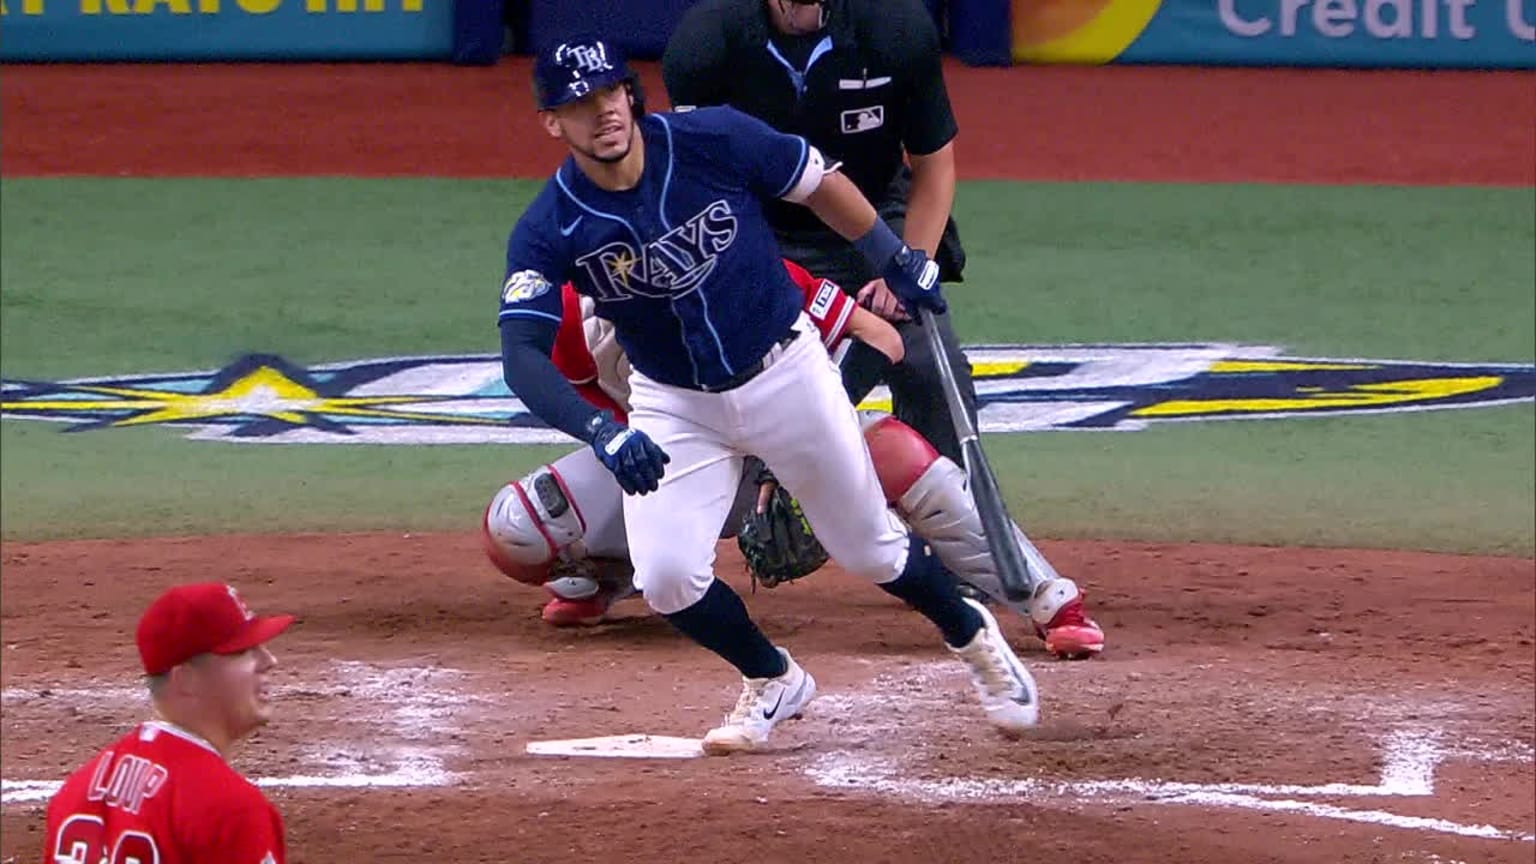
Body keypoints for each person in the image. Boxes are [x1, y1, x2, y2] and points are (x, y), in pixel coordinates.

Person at [497, 34, 1040, 753]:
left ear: (630, 93)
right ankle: (773, 678)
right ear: (551, 123)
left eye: (610, 92)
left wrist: (894, 256)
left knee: (871, 549)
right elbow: (521, 355)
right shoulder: (550, 226)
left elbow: (817, 182)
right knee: (665, 578)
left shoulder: (713, 138)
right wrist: (604, 433)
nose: (603, 112)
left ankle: (975, 640)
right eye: (579, 104)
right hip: (675, 402)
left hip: (785, 371)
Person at [483, 258, 1105, 660]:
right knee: (518, 525)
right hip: (685, 457)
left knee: (892, 450)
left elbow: (879, 337)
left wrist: (793, 455)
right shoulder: (572, 322)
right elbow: (595, 405)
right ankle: (611, 571)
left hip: (788, 431)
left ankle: (1044, 596)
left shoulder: (742, 272)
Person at [662, 0, 978, 463]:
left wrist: (910, 262)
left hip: (873, 223)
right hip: (752, 227)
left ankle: (955, 516)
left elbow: (934, 165)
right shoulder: (708, 39)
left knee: (931, 363)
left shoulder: (896, 26)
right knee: (723, 372)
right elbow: (699, 179)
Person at [44, 582, 293, 864]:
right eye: (243, 651)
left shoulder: (79, 790)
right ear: (186, 680)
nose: (269, 660)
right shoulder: (230, 808)